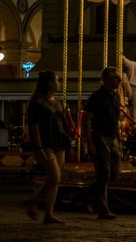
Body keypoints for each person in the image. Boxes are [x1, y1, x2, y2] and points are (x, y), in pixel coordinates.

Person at [21, 71, 71, 224]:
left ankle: (49, 213)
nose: (59, 83)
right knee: (55, 176)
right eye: (57, 80)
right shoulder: (37, 102)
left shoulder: (56, 101)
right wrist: (38, 147)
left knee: (55, 179)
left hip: (58, 141)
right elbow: (34, 127)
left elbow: (62, 121)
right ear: (49, 82)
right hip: (46, 143)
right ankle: (34, 200)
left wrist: (68, 137)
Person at [82, 66, 124, 220]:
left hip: (112, 137)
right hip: (100, 136)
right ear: (106, 79)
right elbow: (86, 120)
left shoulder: (116, 97)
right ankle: (103, 208)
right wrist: (90, 143)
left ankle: (87, 195)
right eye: (115, 77)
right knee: (104, 173)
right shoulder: (96, 97)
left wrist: (119, 138)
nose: (118, 80)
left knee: (113, 173)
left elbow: (116, 119)